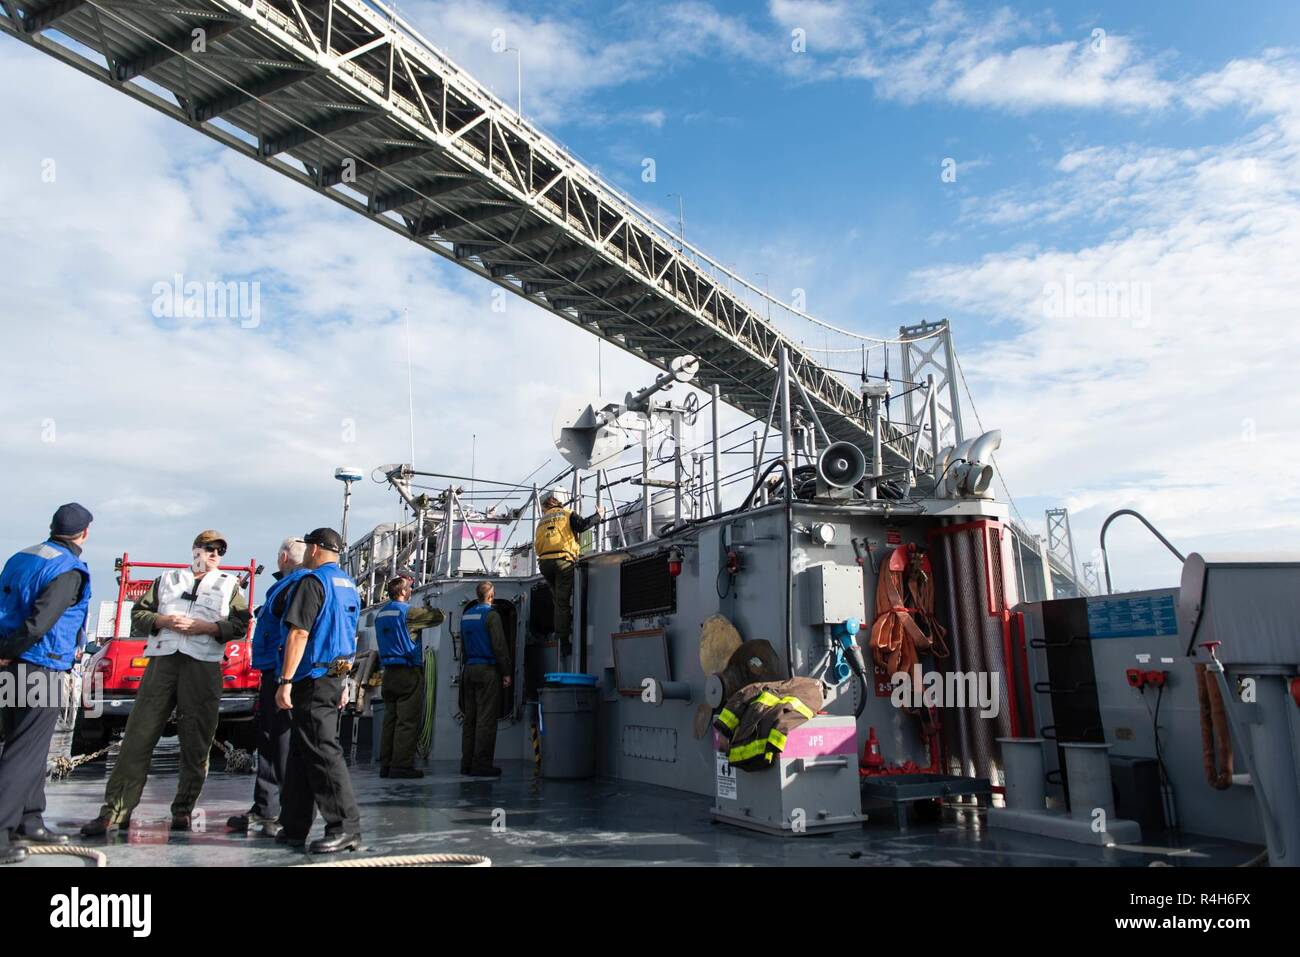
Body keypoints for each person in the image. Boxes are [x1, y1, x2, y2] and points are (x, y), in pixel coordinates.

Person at [82, 530, 251, 837]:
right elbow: (140, 614)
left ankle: (184, 809)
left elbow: (240, 624)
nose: (214, 554)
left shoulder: (229, 586)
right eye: (208, 548)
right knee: (138, 736)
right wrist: (163, 621)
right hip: (163, 662)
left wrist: (209, 627)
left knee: (197, 741)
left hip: (203, 664)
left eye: (219, 551)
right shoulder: (167, 580)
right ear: (194, 549)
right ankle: (114, 812)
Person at [0, 504, 94, 865]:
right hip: (42, 666)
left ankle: (30, 819)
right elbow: (42, 623)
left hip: (11, 666)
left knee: (25, 746)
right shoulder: (68, 570)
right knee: (24, 751)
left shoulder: (21, 557)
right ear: (85, 533)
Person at [274, 528, 362, 854]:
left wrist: (285, 681)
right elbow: (350, 636)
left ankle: (346, 827)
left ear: (313, 549)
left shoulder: (313, 583)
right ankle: (294, 825)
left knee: (323, 751)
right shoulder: (349, 586)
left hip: (311, 677)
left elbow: (299, 634)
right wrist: (345, 682)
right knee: (302, 750)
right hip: (334, 676)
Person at [227, 536, 307, 837]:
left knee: (277, 740)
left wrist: (283, 679)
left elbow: (294, 632)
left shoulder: (293, 586)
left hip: (279, 671)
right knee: (276, 739)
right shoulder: (293, 585)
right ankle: (272, 807)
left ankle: (272, 809)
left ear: (284, 557)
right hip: (279, 670)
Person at [374, 577, 444, 779]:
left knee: (390, 721)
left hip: (388, 673)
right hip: (408, 672)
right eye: (410, 588)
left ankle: (386, 765)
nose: (411, 590)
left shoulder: (381, 614)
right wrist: (430, 606)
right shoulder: (408, 612)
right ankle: (402, 766)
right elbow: (437, 618)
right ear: (402, 592)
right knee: (407, 721)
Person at [533, 488, 603, 656]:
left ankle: (561, 627)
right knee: (563, 602)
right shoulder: (566, 513)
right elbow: (582, 526)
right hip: (562, 561)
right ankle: (564, 642)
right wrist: (598, 516)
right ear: (559, 503)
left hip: (544, 563)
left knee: (558, 601)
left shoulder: (542, 520)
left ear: (545, 507)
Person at [459, 580, 513, 778]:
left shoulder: (466, 615)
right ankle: (482, 764)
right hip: (487, 669)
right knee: (486, 719)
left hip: (469, 669)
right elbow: (499, 645)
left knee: (470, 719)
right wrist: (506, 671)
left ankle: (466, 763)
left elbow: (463, 645)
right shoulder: (491, 616)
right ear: (491, 596)